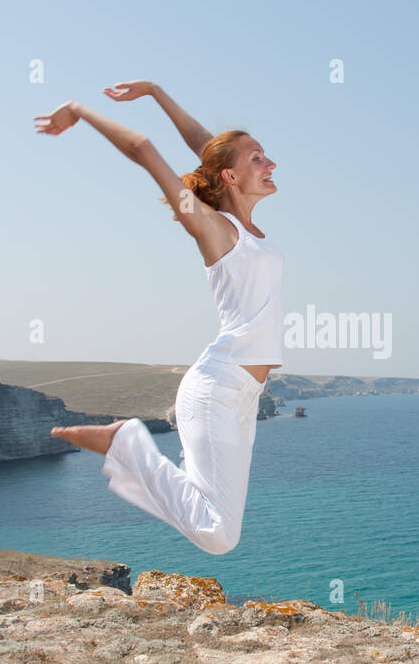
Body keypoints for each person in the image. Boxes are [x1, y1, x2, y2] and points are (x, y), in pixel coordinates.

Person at [34, 81, 281, 554]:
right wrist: (81, 110)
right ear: (230, 178)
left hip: (245, 395)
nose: (269, 164)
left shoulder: (249, 230)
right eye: (257, 159)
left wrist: (156, 92)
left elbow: (206, 147)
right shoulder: (212, 229)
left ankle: (126, 444)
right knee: (217, 535)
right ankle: (126, 441)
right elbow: (144, 148)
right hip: (217, 388)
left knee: (220, 526)